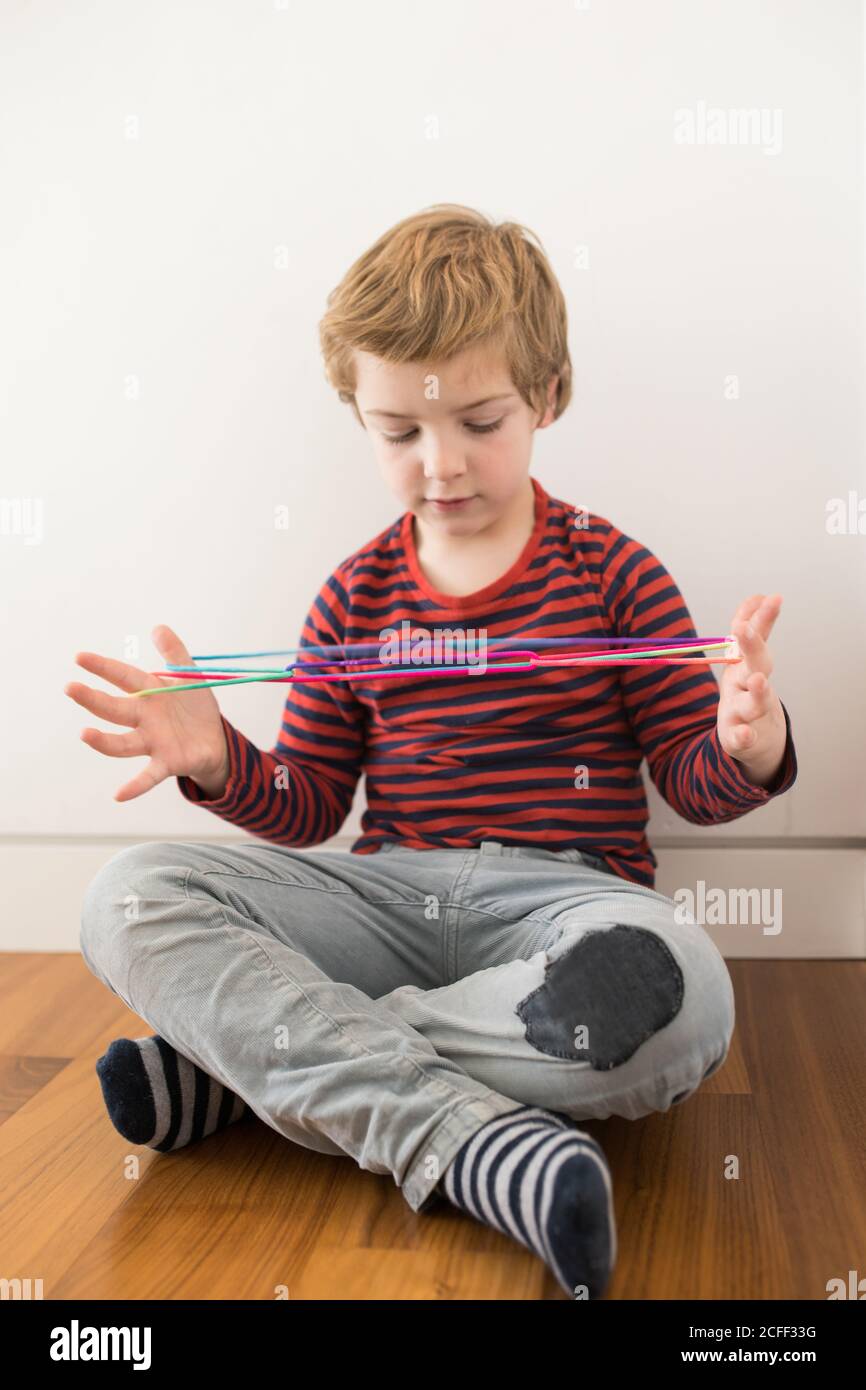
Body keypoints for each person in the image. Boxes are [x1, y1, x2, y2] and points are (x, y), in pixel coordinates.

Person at [67, 204, 798, 1300]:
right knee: (123, 895)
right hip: (381, 904)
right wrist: (219, 761)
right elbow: (311, 804)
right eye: (399, 433)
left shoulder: (612, 573)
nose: (439, 464)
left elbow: (690, 780)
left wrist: (748, 743)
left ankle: (248, 1066)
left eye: (478, 421)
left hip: (565, 911)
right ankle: (467, 1144)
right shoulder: (354, 592)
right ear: (358, 417)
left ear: (547, 396)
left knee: (685, 994)